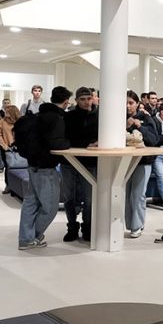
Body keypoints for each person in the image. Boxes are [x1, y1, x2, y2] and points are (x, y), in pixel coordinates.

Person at [17, 86, 72, 250]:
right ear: (66, 102)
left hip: (33, 165)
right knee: (50, 207)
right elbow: (55, 143)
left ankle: (25, 238)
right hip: (46, 167)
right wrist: (69, 143)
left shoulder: (40, 115)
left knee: (30, 203)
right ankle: (33, 236)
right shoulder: (56, 118)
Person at [61, 87, 98, 242]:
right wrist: (88, 143)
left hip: (90, 162)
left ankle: (88, 227)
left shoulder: (99, 116)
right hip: (69, 162)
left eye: (88, 98)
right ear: (76, 100)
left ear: (92, 98)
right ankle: (72, 226)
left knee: (89, 199)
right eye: (82, 99)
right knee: (69, 197)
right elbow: (66, 138)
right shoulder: (69, 116)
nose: (85, 102)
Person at [125, 91, 158, 238]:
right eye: (125, 103)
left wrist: (139, 127)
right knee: (125, 195)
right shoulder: (118, 118)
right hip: (123, 162)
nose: (128, 106)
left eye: (131, 103)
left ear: (138, 104)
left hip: (142, 162)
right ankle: (128, 223)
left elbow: (154, 140)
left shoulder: (145, 118)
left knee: (138, 195)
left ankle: (137, 225)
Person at [0, 104, 21, 195]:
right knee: (8, 167)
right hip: (5, 148)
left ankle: (17, 187)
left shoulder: (20, 121)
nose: (6, 114)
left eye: (8, 112)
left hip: (18, 149)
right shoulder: (2, 121)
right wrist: (4, 145)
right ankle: (8, 186)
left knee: (19, 168)